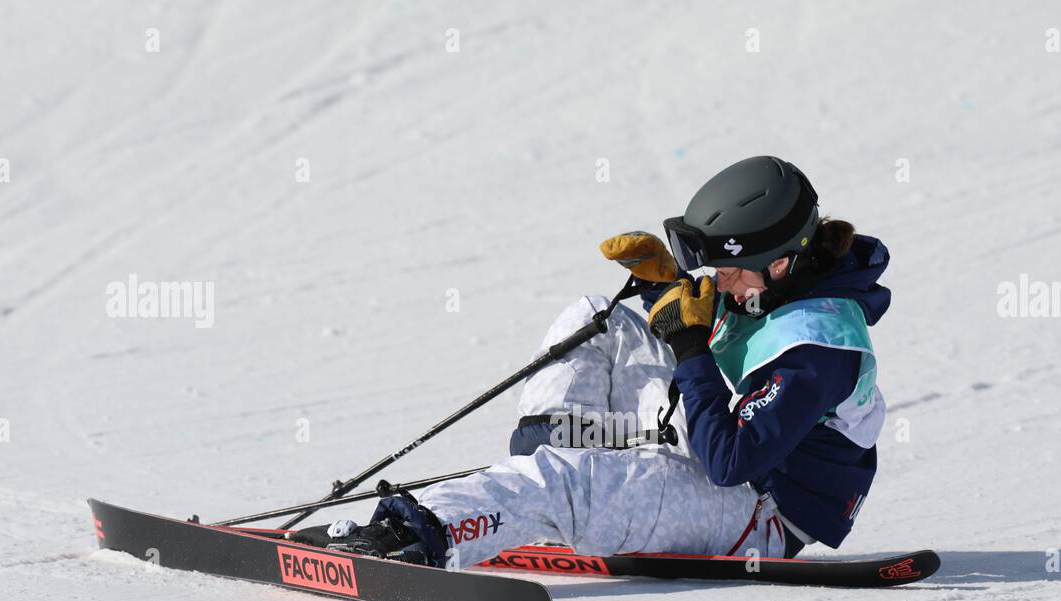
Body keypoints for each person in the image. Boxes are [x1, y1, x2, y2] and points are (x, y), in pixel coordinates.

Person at [313, 156, 892, 568]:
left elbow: (729, 461)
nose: (720, 282)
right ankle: (544, 484)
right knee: (596, 319)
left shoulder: (819, 347)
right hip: (716, 440)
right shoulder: (769, 286)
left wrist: (688, 346)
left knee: (572, 481)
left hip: (759, 512)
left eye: (733, 269)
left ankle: (430, 532)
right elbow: (703, 340)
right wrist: (661, 290)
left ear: (785, 261)